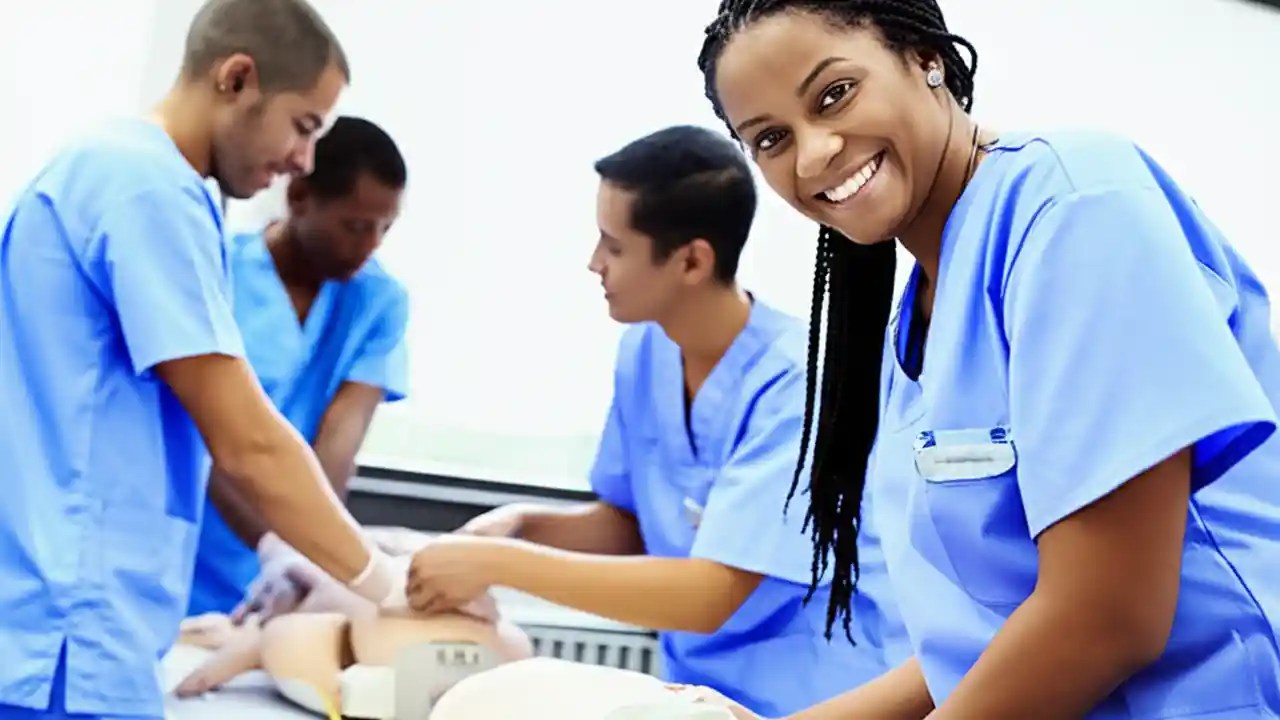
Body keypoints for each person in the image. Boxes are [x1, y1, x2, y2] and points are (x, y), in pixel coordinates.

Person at [683, 0, 1280, 718]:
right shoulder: (919, 319)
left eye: (835, 94)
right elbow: (973, 649)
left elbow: (1106, 617)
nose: (813, 154)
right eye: (772, 138)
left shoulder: (1076, 207)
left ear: (925, 57)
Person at [396, 124, 904, 717]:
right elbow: (637, 525)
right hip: (696, 691)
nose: (593, 264)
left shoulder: (796, 387)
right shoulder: (648, 350)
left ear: (691, 261)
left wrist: (498, 565)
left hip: (814, 695)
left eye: (614, 246)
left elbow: (712, 596)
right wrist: (519, 525)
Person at [0, 1, 412, 718]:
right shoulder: (146, 188)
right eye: (303, 126)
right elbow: (247, 441)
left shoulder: (123, 172)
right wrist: (387, 587)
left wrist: (292, 554)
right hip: (67, 629)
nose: (302, 161)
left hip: (74, 619)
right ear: (237, 78)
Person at [188, 115, 411, 619]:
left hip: (287, 570)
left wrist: (312, 558)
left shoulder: (378, 302)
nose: (371, 243)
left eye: (385, 227)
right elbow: (207, 437)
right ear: (299, 197)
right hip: (191, 549)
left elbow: (338, 444)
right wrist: (272, 546)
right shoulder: (217, 273)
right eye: (355, 225)